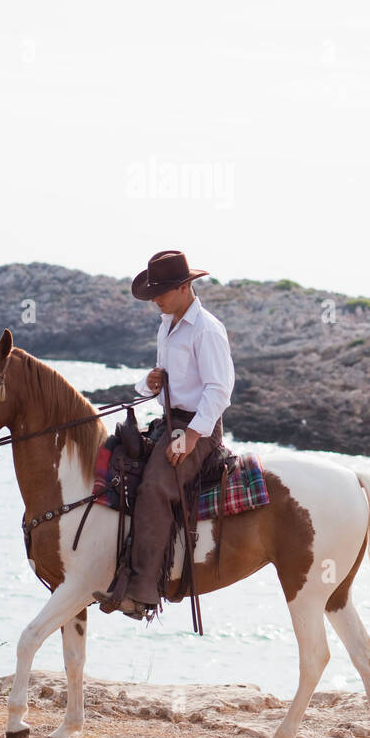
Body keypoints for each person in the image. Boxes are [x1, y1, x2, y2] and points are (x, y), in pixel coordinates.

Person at [94, 249, 235, 619]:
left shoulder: (207, 330)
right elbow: (155, 385)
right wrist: (149, 381)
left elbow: (219, 390)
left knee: (155, 486)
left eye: (162, 291)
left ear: (186, 287)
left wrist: (190, 438)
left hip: (198, 430)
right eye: (154, 291)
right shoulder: (167, 323)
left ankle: (141, 594)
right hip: (168, 421)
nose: (155, 298)